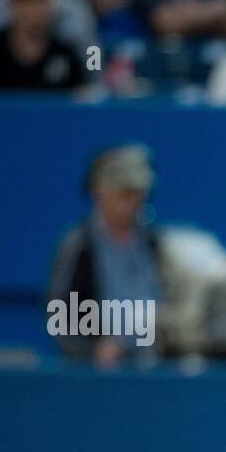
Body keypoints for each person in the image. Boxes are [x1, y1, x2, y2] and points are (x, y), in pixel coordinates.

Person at [49, 145, 164, 367]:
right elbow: (59, 318)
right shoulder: (78, 245)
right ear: (99, 191)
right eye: (125, 194)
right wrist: (93, 351)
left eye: (140, 195)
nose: (133, 203)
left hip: (151, 369)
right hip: (97, 376)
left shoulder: (153, 241)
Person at [0, 0, 87, 91]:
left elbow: (81, 95)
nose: (38, 10)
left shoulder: (64, 52)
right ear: (15, 6)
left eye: (41, 2)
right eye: (30, 3)